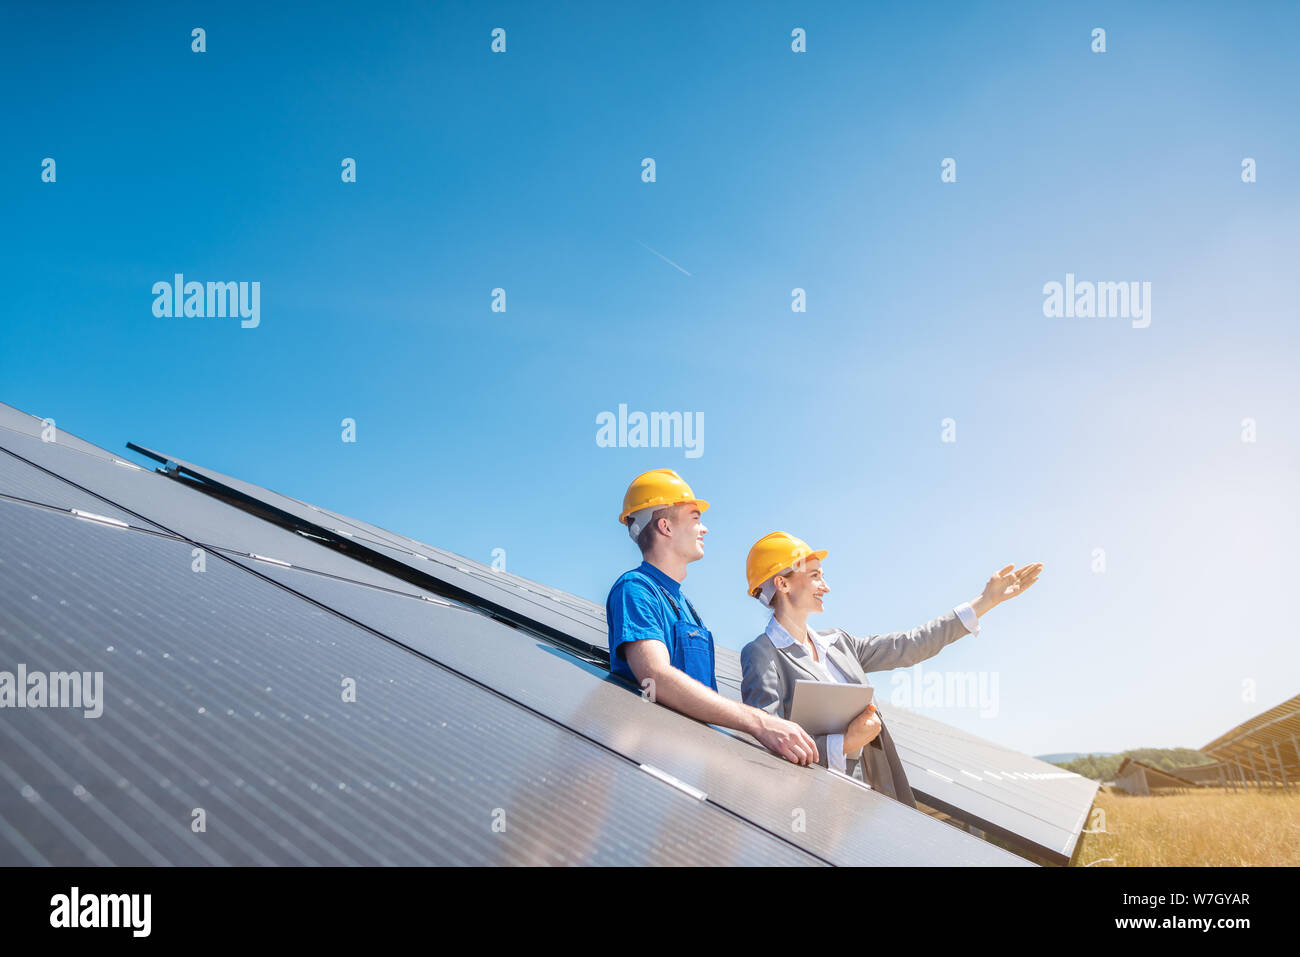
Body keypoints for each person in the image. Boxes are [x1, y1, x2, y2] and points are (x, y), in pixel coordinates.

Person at [739, 531, 1043, 805]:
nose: (826, 586)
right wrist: (844, 743)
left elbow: (910, 645)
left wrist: (985, 602)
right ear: (782, 583)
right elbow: (767, 744)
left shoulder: (839, 643)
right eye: (816, 576)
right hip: (816, 809)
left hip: (871, 795)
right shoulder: (761, 654)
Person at [606, 469, 820, 765]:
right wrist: (759, 722)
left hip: (688, 759)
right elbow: (655, 676)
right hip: (654, 762)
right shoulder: (636, 590)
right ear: (666, 526)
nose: (703, 528)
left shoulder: (685, 605)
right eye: (695, 518)